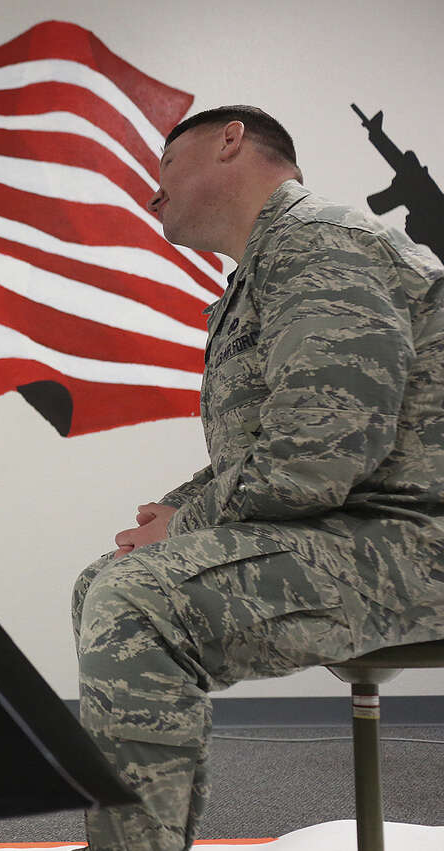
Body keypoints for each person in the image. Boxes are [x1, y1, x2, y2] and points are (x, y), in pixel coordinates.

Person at [71, 105, 444, 851]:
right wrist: (176, 509)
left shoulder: (323, 245)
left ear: (231, 140)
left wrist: (185, 524)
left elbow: (319, 450)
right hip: (357, 529)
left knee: (135, 598)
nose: (154, 192)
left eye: (167, 165)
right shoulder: (270, 267)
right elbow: (274, 444)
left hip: (415, 543)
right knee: (110, 576)